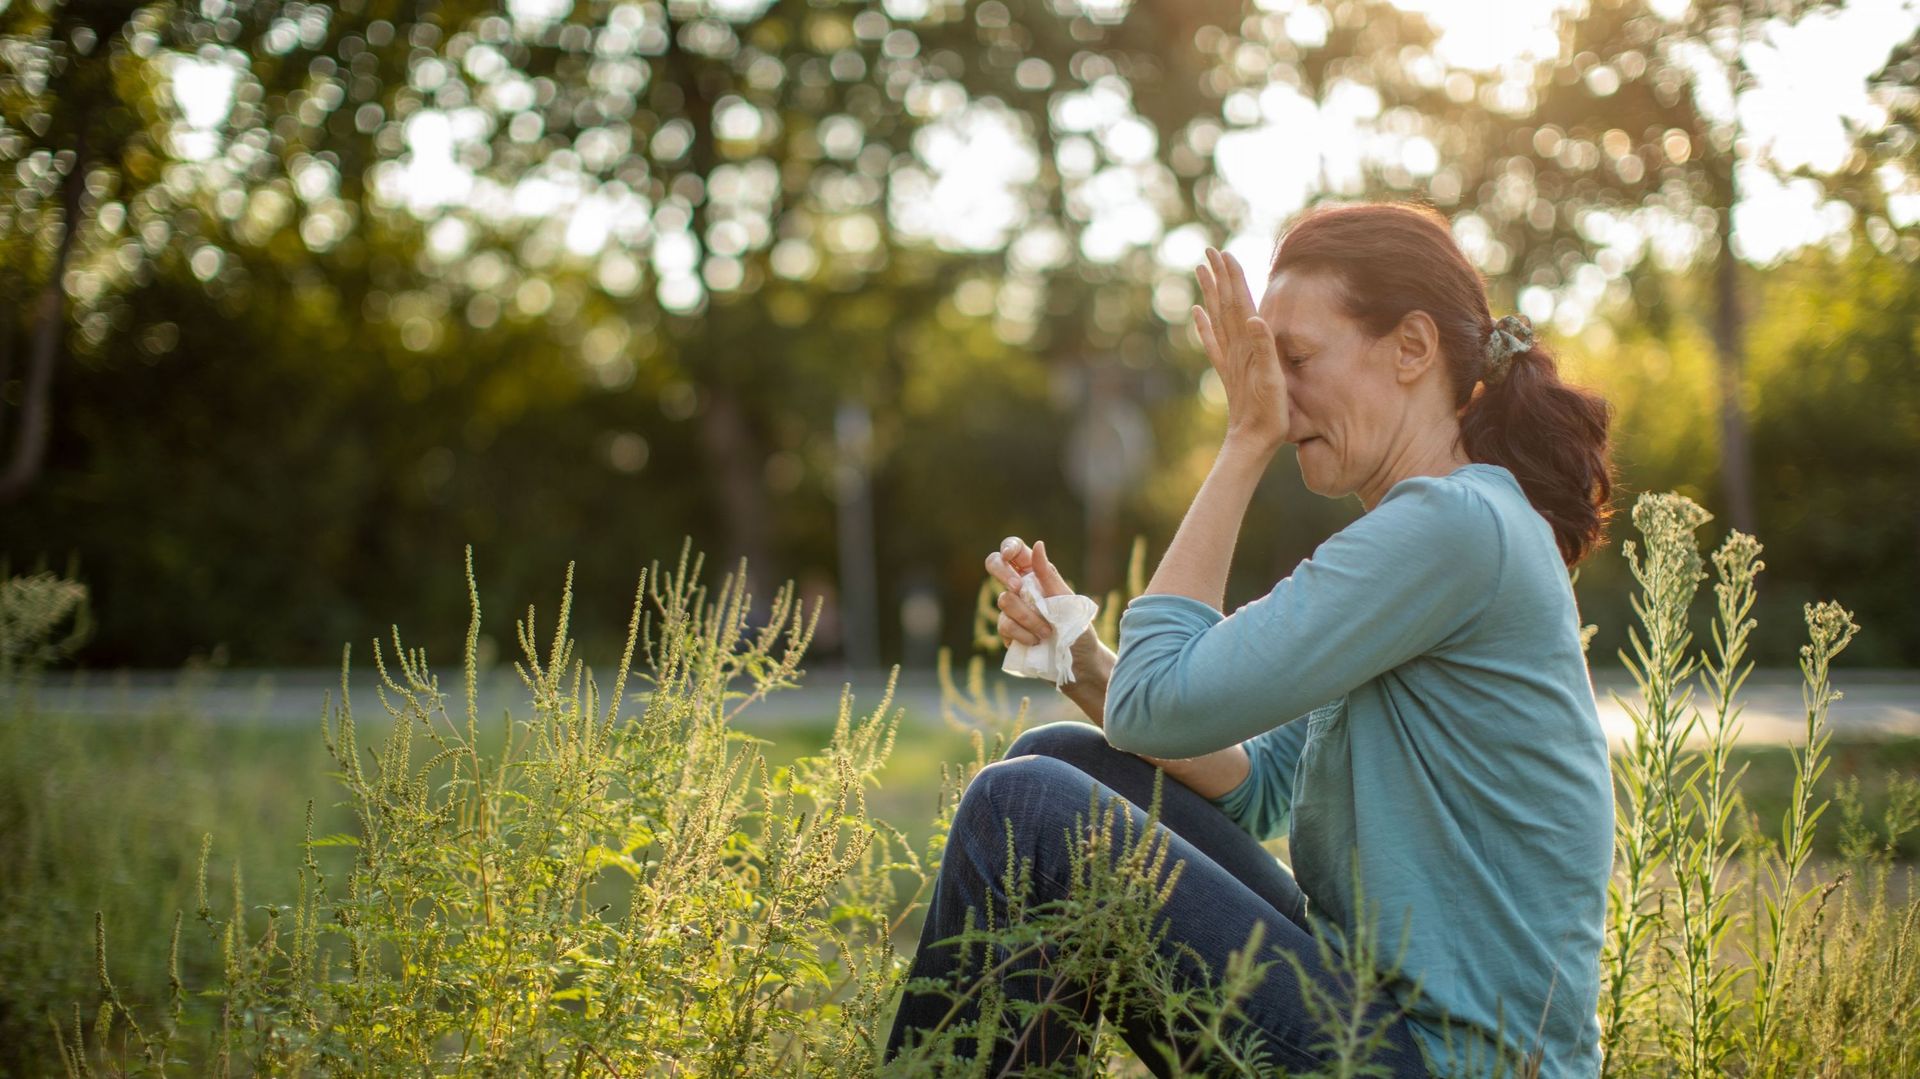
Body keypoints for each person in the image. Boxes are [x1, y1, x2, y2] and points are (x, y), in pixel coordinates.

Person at [882, 201, 1617, 1078]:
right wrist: (1082, 661)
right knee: (1062, 760)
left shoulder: (1453, 527)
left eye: (1294, 360)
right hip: (1377, 1020)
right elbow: (1258, 785)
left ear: (1412, 348)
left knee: (1028, 813)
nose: (1273, 393)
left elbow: (1157, 704)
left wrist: (1245, 440)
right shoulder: (1440, 532)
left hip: (1442, 1061)